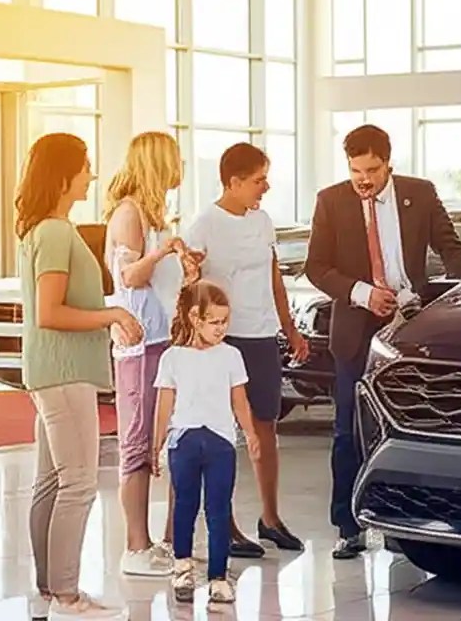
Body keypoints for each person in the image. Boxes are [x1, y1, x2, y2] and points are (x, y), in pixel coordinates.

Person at [304, 124, 461, 560]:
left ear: (388, 163)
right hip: (353, 332)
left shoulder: (420, 193)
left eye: (372, 169)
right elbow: (317, 267)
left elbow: (452, 250)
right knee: (348, 429)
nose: (363, 178)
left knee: (412, 425)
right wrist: (362, 292)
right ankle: (348, 526)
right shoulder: (332, 200)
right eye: (356, 169)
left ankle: (407, 522)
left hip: (412, 329)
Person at [17, 133, 143, 620]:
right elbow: (51, 312)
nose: (92, 174)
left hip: (51, 371)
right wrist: (112, 314)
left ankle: (52, 590)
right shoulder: (53, 232)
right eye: (86, 166)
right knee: (78, 484)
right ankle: (68, 596)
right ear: (65, 173)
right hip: (63, 372)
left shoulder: (44, 230)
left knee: (50, 483)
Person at [181, 142, 309, 557]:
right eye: (258, 180)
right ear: (233, 182)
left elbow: (273, 278)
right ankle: (226, 525)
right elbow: (189, 288)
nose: (265, 187)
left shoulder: (262, 220)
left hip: (260, 335)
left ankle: (270, 519)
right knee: (222, 433)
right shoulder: (204, 225)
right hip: (222, 339)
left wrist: (290, 329)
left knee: (265, 427)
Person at [102, 130, 193, 577]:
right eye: (175, 157)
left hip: (165, 343)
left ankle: (170, 542)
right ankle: (136, 547)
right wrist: (163, 251)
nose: (182, 165)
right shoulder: (128, 214)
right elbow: (130, 277)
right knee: (137, 441)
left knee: (171, 438)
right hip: (140, 348)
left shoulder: (156, 216)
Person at [151, 280, 261, 605]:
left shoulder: (231, 356)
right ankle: (182, 567)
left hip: (221, 443)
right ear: (195, 319)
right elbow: (164, 406)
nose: (221, 328)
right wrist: (156, 443)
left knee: (218, 509)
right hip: (183, 441)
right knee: (185, 505)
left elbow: (240, 401)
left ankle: (218, 577)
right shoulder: (172, 358)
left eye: (225, 321)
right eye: (214, 322)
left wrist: (251, 433)